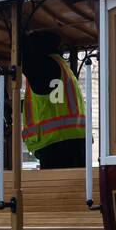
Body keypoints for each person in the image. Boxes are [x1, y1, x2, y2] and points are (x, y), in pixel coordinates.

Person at [21, 30, 86, 169]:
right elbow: (54, 101)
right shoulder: (61, 66)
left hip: (57, 145)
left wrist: (20, 35)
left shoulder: (44, 65)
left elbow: (24, 61)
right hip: (74, 141)